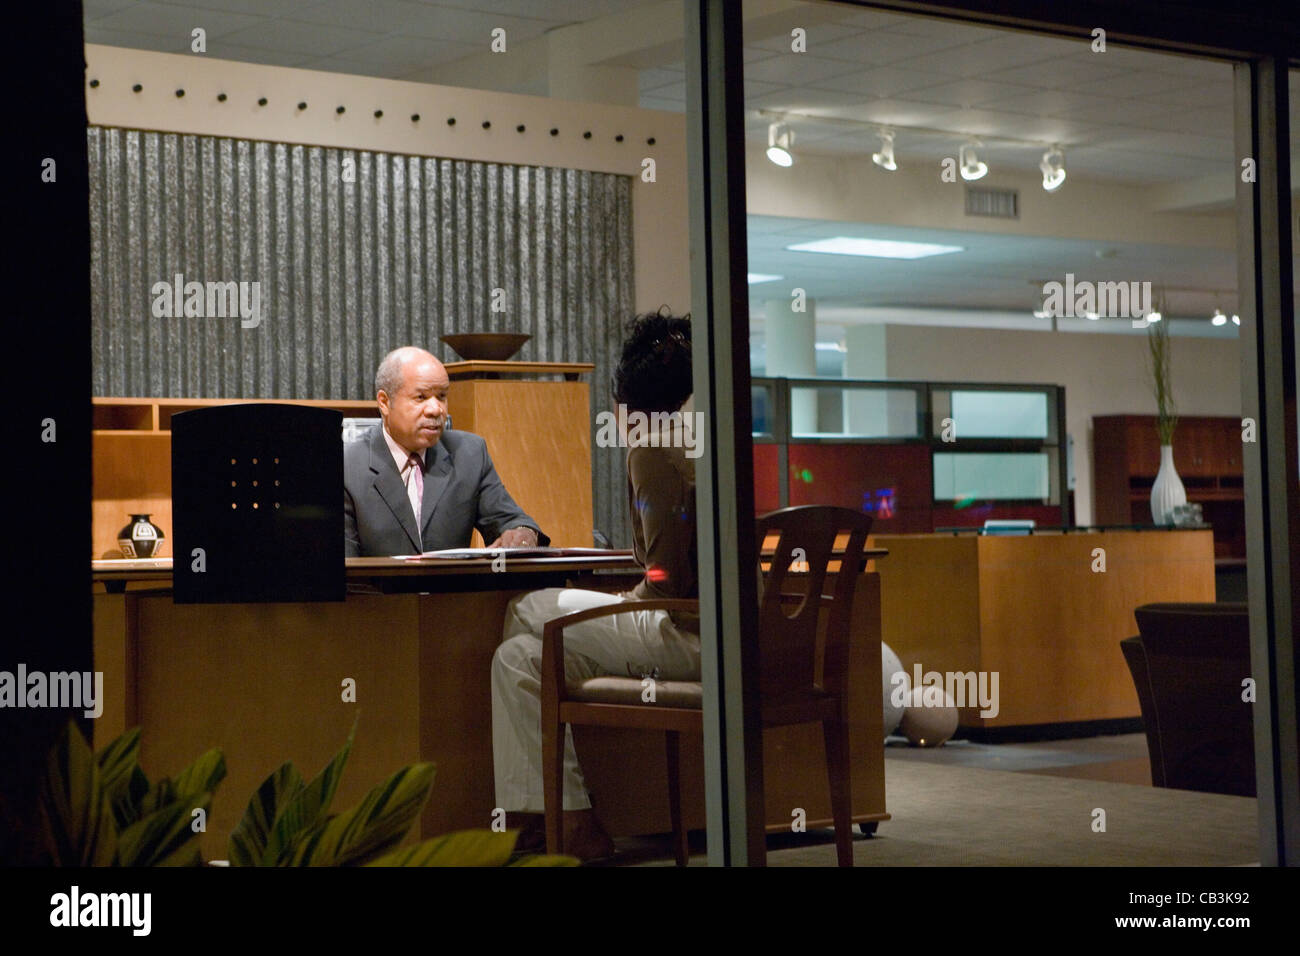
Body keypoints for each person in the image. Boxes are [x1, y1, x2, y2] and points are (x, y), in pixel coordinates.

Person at [491, 310, 699, 862]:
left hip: (690, 633)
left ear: (622, 403)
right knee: (518, 659)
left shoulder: (652, 450)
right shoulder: (696, 441)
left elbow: (666, 580)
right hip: (717, 627)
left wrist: (619, 606)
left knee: (527, 606)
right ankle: (566, 823)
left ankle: (549, 824)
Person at [344, 346, 546, 556]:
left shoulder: (469, 454)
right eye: (421, 397)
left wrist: (523, 534)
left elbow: (511, 520)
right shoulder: (347, 466)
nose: (435, 409)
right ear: (384, 402)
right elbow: (343, 566)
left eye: (441, 396)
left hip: (453, 588)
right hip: (378, 589)